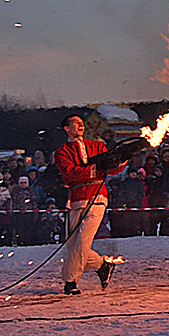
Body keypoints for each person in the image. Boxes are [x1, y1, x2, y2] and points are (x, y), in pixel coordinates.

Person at [53, 113, 125, 295]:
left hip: (98, 197)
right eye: (76, 123)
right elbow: (70, 173)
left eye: (81, 123)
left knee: (83, 240)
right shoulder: (62, 152)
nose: (81, 126)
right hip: (76, 198)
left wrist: (122, 157)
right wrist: (94, 168)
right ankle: (102, 265)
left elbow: (113, 169)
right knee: (73, 245)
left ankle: (70, 282)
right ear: (66, 128)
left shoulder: (98, 146)